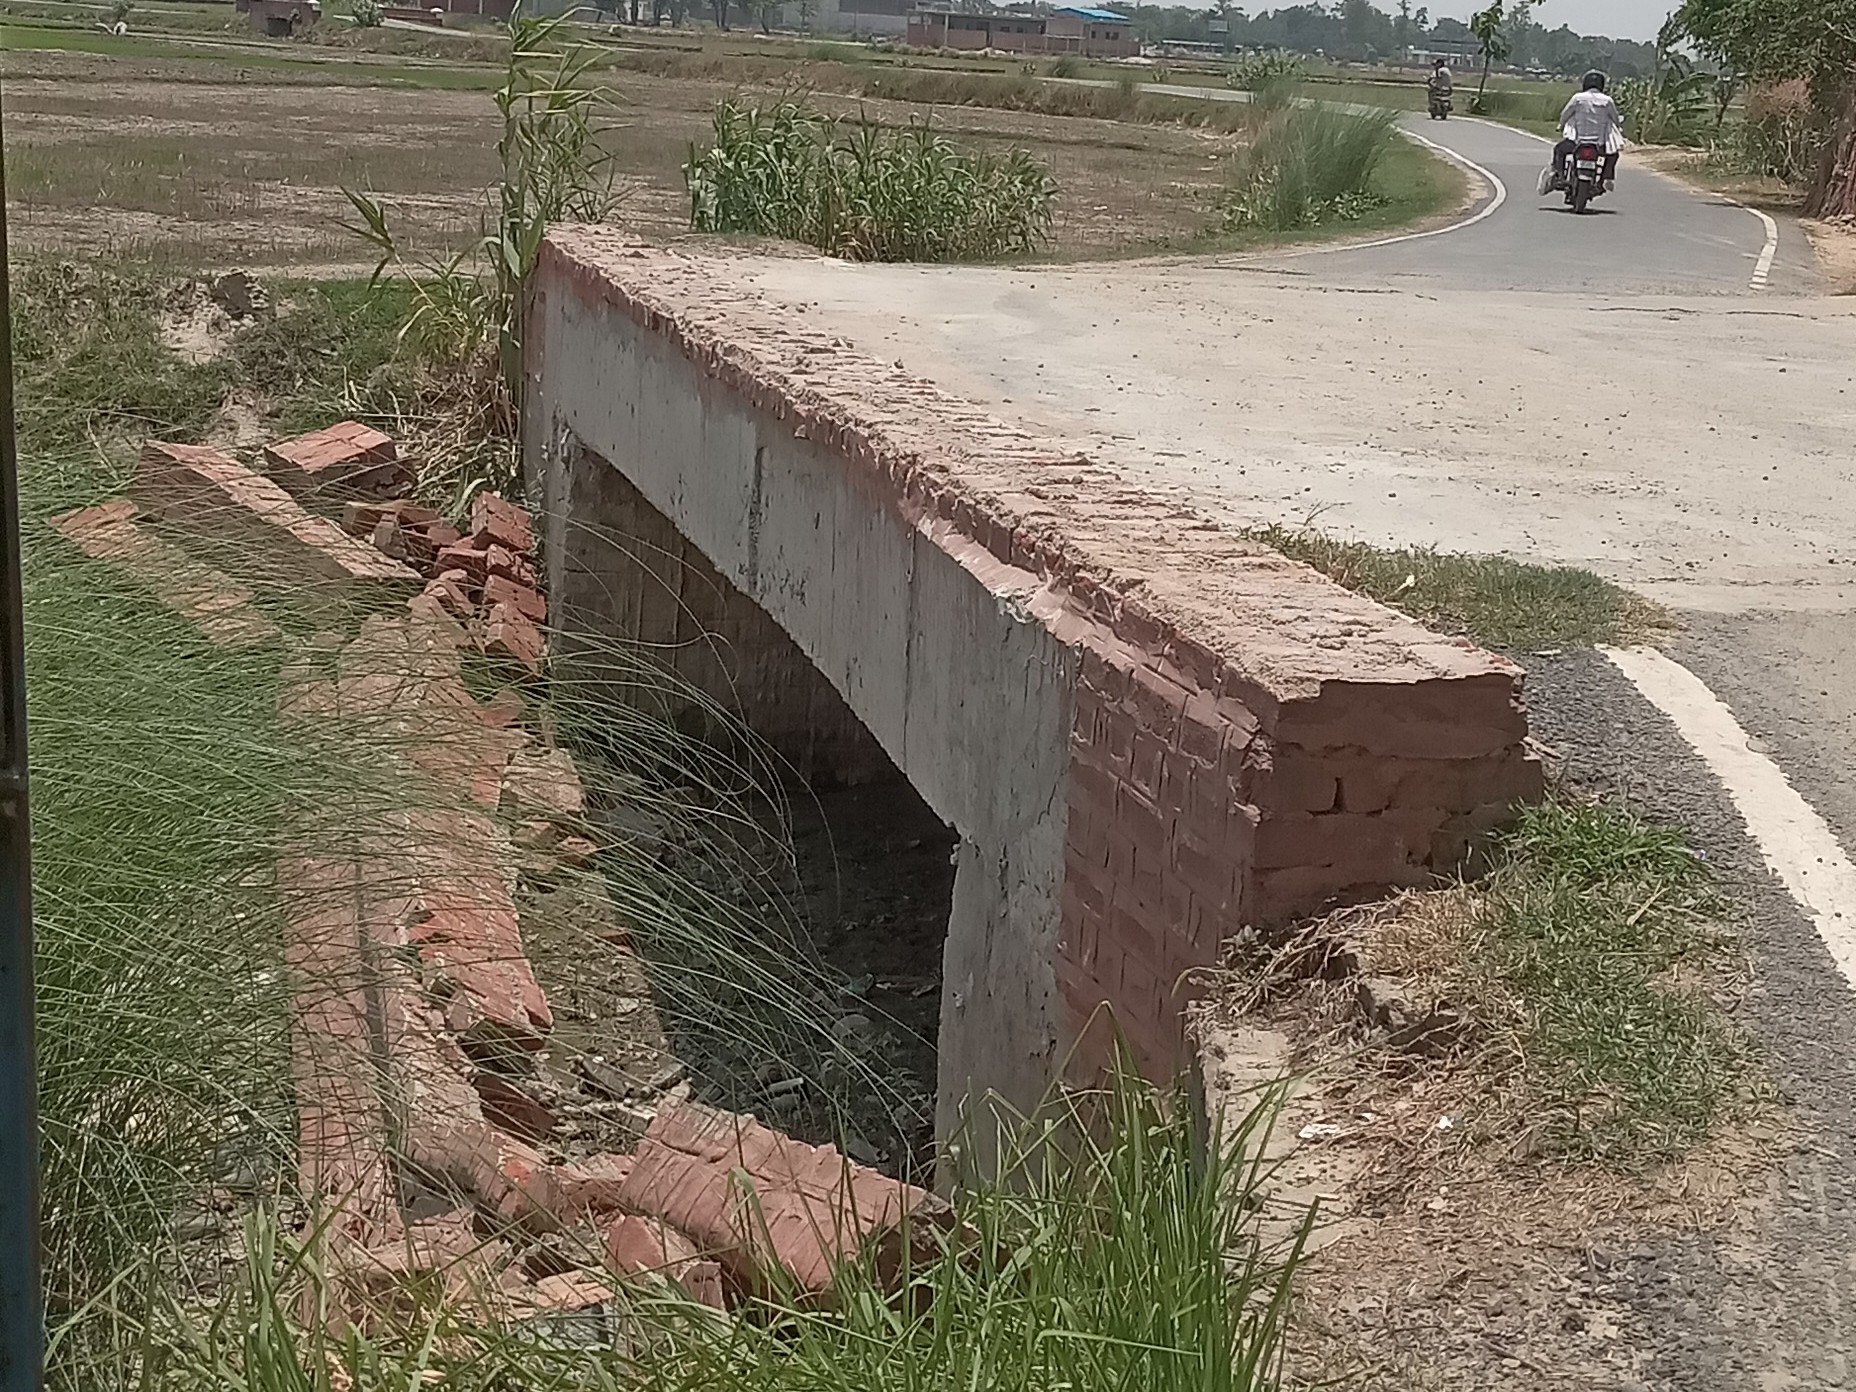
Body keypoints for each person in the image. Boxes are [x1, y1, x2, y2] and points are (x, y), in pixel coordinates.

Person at [1540, 70, 1623, 195]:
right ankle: (1604, 179)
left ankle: (1560, 176)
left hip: (1576, 143)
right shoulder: (1607, 101)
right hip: (1599, 145)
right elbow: (1615, 119)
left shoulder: (1578, 98)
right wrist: (1619, 127)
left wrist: (1561, 125)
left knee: (1559, 150)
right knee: (1613, 155)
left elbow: (1565, 114)